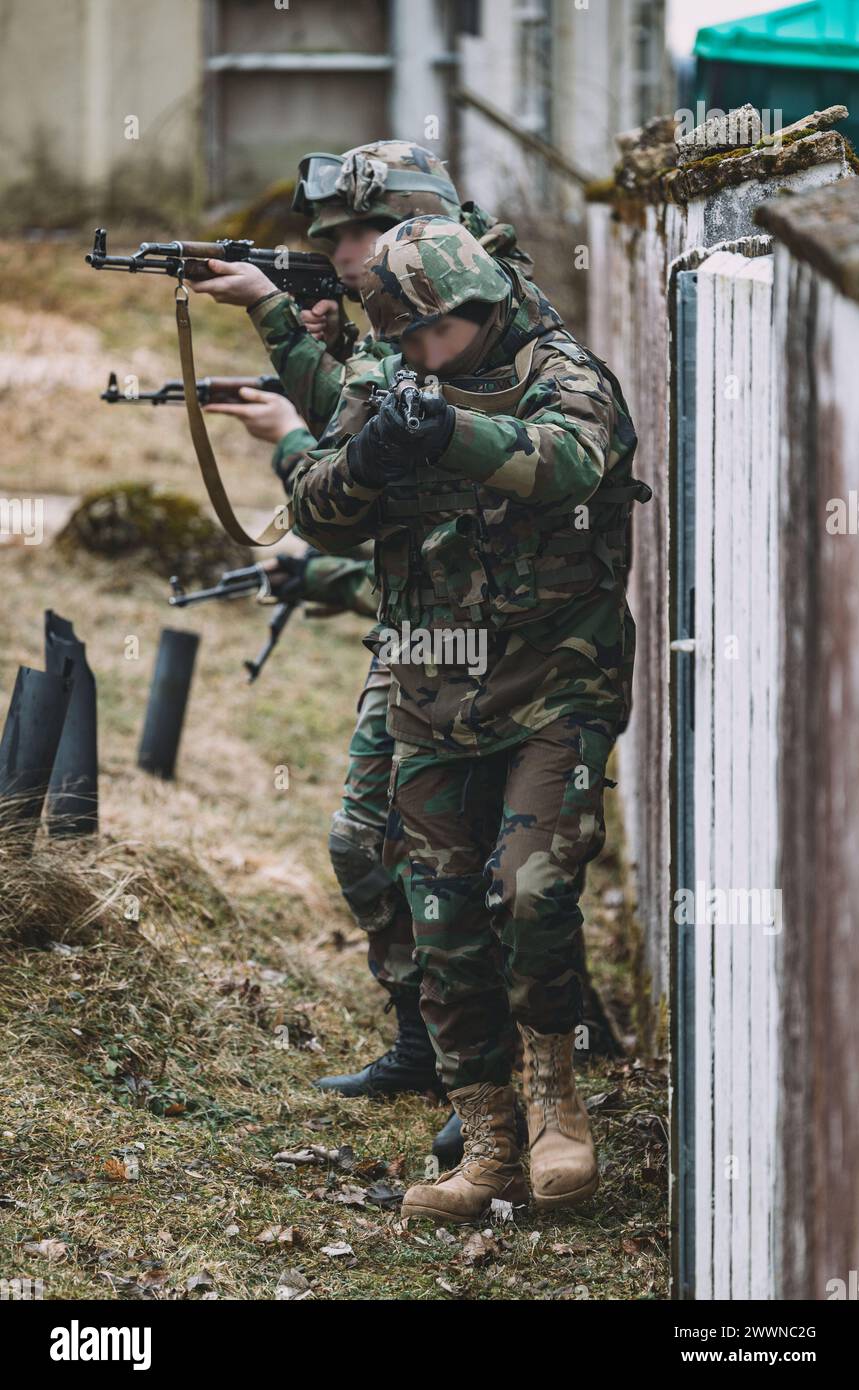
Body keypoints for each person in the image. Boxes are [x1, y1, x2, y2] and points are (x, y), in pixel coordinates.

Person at [287, 215, 651, 1222]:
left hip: (554, 682)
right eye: (396, 338)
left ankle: (555, 1104)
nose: (409, 353)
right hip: (428, 691)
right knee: (441, 920)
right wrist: (368, 461)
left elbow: (569, 465)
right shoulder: (394, 385)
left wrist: (450, 435)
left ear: (472, 310)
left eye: (422, 334)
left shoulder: (560, 374)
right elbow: (312, 503)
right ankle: (485, 1142)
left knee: (530, 889)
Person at [192, 142, 536, 1165]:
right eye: (332, 239)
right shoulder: (397, 321)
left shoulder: (465, 318)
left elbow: (344, 491)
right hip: (416, 617)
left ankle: (504, 1075)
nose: (340, 253)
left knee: (478, 868)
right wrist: (293, 342)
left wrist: (286, 424)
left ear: (419, 225)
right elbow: (348, 431)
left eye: (356, 232)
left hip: (480, 630)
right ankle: (428, 1044)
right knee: (368, 842)